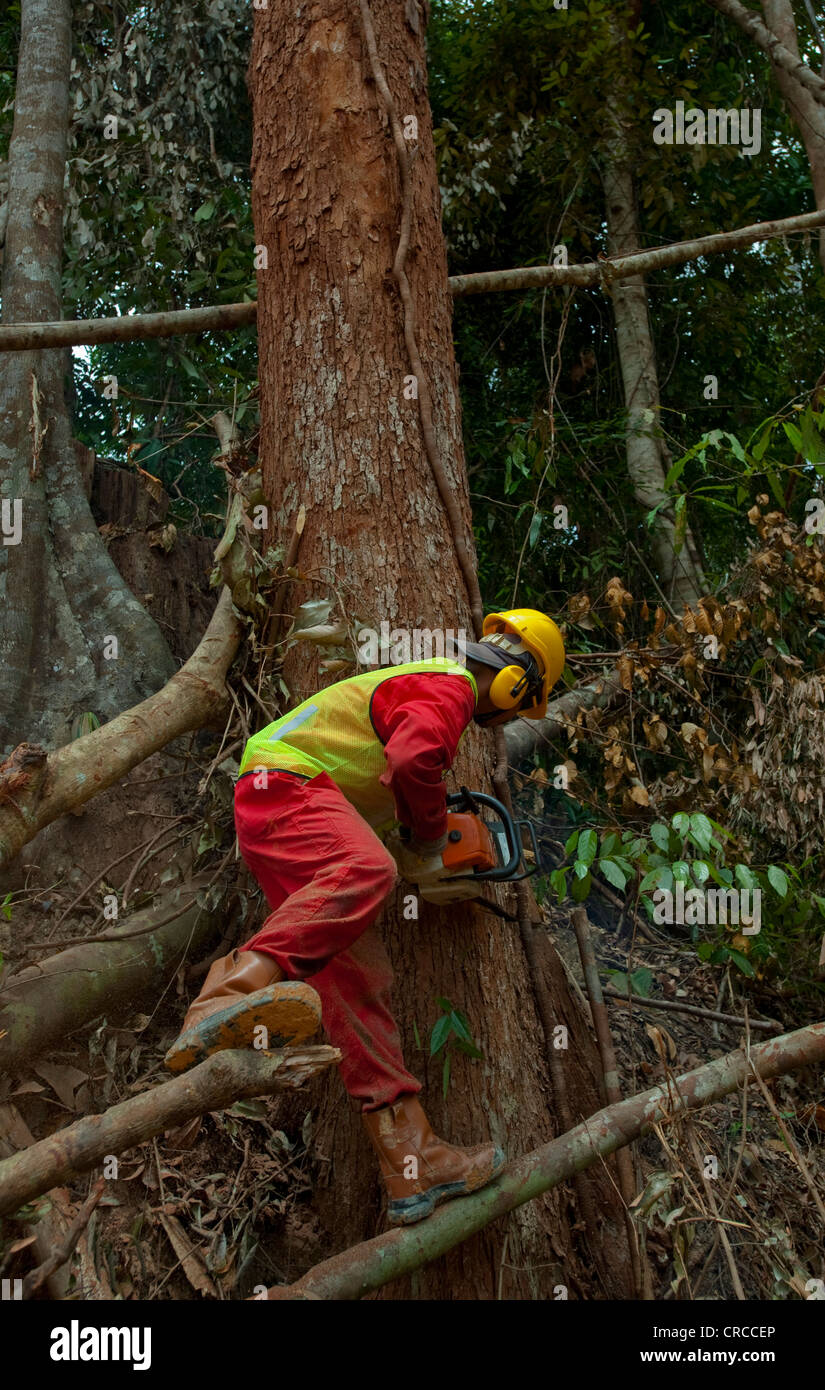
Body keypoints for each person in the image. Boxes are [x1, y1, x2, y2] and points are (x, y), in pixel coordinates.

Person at [165, 609, 564, 1225]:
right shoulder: (450, 685)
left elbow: (392, 778)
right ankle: (224, 996)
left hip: (291, 808)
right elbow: (411, 763)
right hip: (284, 784)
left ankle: (412, 1161)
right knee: (370, 871)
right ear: (517, 684)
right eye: (518, 709)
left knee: (357, 987)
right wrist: (429, 840)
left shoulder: (422, 693)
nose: (505, 719)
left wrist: (419, 851)